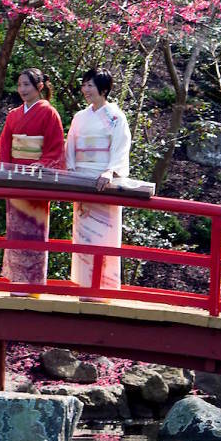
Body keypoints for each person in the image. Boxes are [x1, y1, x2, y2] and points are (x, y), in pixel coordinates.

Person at [0, 68, 66, 288]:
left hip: (36, 177)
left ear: (39, 87)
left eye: (27, 85)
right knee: (15, 228)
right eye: (19, 85)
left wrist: (43, 164)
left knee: (34, 231)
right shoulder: (13, 114)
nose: (22, 90)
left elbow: (55, 147)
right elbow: (5, 144)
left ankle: (33, 283)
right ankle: (16, 279)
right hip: (16, 175)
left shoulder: (49, 113)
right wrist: (6, 168)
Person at [65, 67, 132, 292]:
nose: (85, 90)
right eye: (84, 85)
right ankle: (84, 288)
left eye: (90, 85)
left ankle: (103, 290)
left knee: (103, 237)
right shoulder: (80, 117)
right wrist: (72, 170)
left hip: (103, 180)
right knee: (83, 238)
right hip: (81, 178)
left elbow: (121, 148)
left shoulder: (116, 118)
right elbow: (71, 147)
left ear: (103, 90)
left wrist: (110, 171)